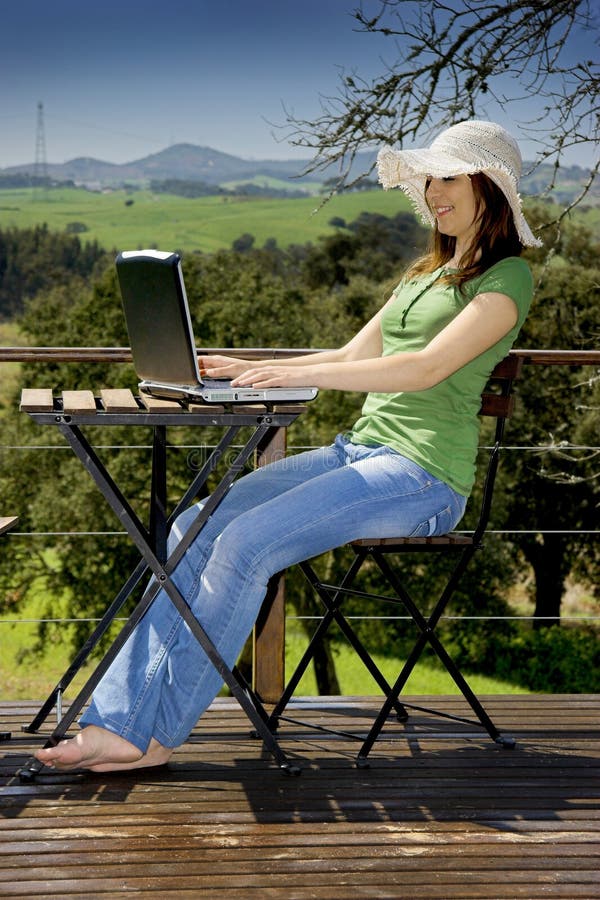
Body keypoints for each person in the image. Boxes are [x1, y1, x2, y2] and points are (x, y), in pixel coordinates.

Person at [35, 119, 540, 772]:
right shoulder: (425, 276)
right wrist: (239, 366)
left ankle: (154, 737)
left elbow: (422, 370)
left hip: (422, 477)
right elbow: (351, 356)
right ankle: (123, 720)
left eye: (448, 178)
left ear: (489, 188)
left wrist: (296, 375)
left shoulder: (506, 283)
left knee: (246, 544)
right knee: (193, 524)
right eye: (430, 180)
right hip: (357, 453)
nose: (433, 193)